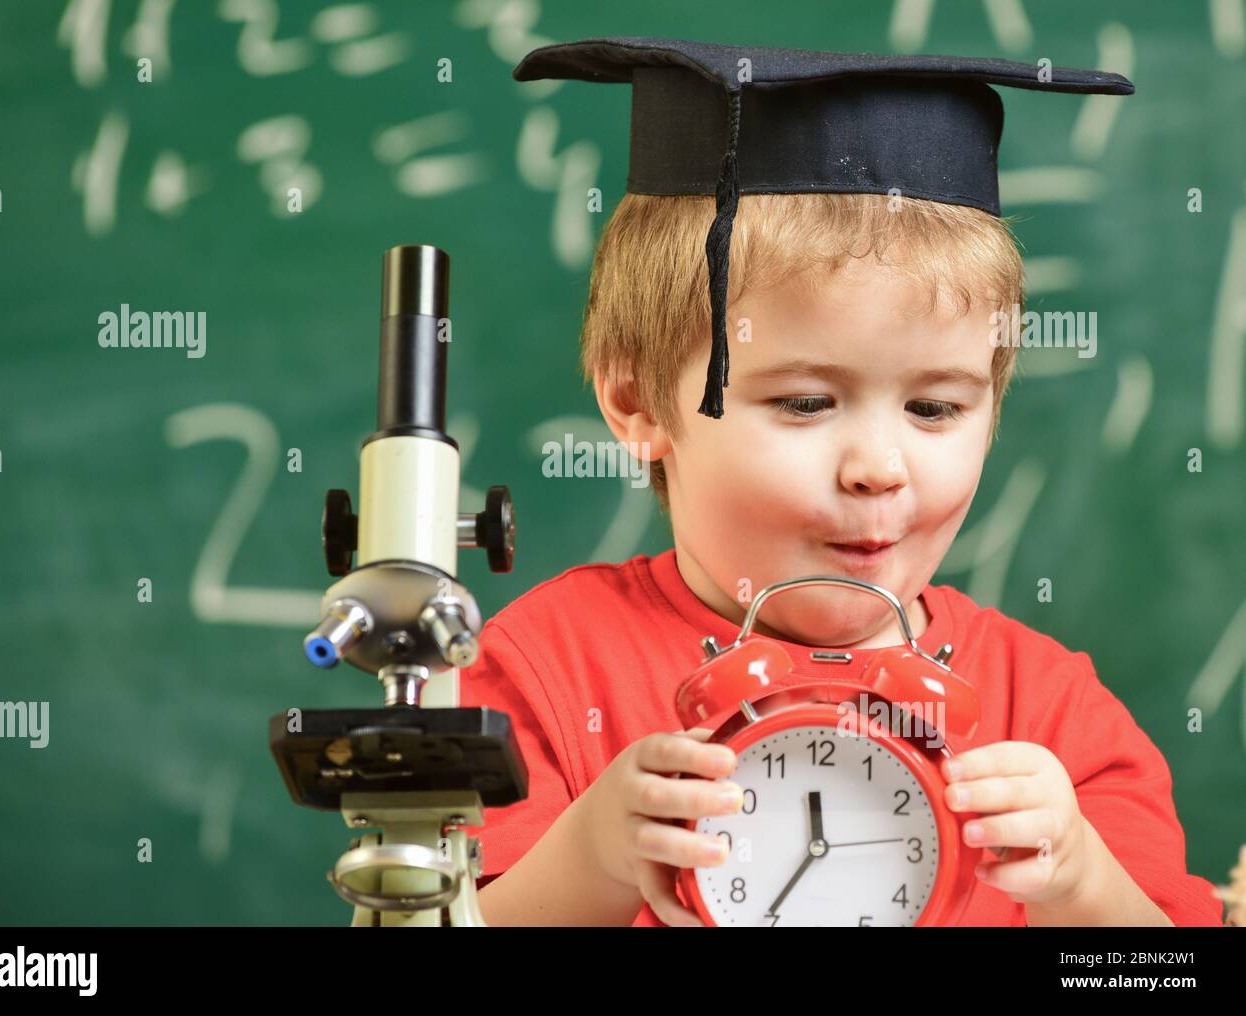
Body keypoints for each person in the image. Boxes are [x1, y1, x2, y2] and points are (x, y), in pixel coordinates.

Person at [460, 36, 1223, 926]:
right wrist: (590, 860)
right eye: (807, 402)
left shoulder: (1052, 715)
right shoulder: (540, 676)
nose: (878, 469)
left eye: (935, 410)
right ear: (636, 401)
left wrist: (1083, 885)